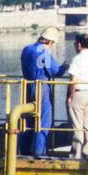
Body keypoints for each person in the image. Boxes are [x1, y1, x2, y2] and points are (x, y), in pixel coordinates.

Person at [19, 26, 68, 157]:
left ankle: (23, 151)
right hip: (41, 88)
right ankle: (39, 153)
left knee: (26, 120)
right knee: (43, 121)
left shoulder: (27, 49)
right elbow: (54, 71)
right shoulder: (44, 52)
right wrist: (64, 67)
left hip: (26, 86)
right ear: (50, 42)